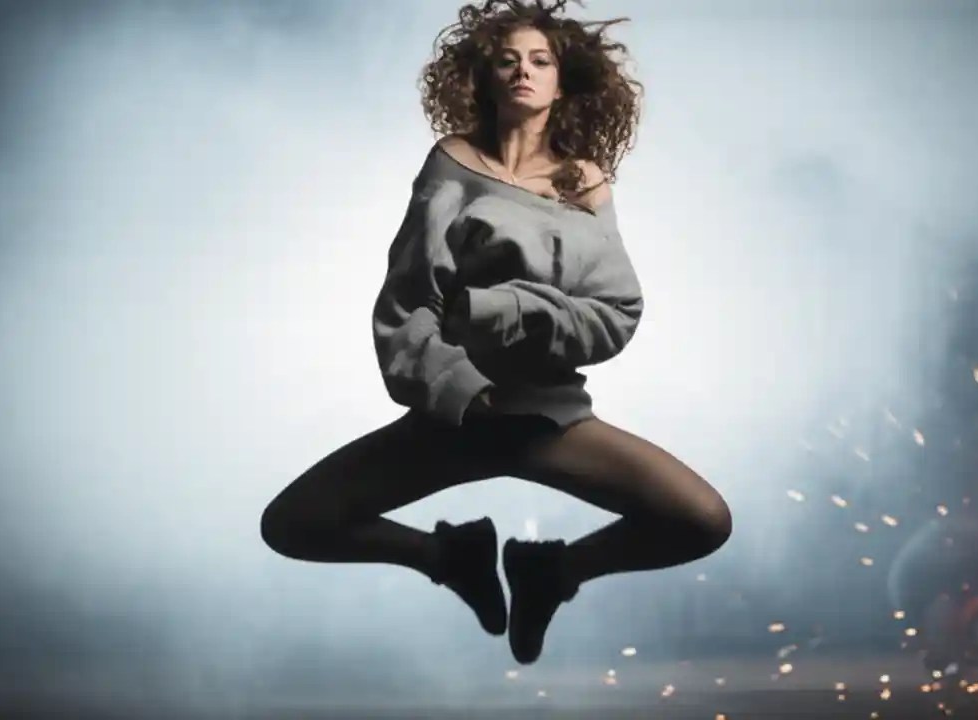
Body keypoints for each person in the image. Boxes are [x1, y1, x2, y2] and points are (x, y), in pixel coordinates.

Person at [260, 0, 732, 665]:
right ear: (481, 76)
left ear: (565, 80)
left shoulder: (584, 182)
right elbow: (407, 302)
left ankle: (553, 573)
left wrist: (499, 309)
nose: (523, 72)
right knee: (291, 524)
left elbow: (615, 312)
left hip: (548, 419)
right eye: (507, 59)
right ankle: (450, 556)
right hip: (454, 420)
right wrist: (461, 392)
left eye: (540, 61)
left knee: (702, 520)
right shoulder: (451, 163)